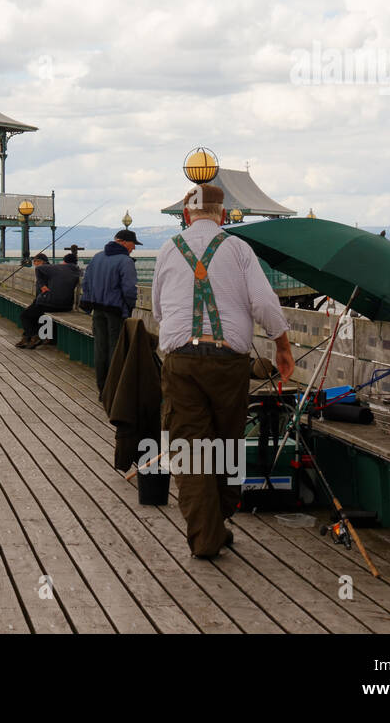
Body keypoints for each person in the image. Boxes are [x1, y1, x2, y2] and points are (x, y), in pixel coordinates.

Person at [152, 183, 294, 559]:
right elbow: (264, 303)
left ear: (186, 215)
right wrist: (282, 347)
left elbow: (159, 311)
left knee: (191, 449)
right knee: (227, 444)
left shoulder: (169, 249)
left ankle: (208, 531)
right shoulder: (238, 249)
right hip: (230, 362)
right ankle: (216, 524)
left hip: (181, 360)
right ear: (223, 215)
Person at [81, 229, 141, 395]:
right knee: (116, 350)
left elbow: (86, 283)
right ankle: (113, 391)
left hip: (97, 309)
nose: (133, 248)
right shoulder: (125, 261)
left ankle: (102, 389)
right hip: (115, 311)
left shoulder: (97, 257)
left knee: (100, 349)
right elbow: (129, 289)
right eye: (133, 244)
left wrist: (88, 304)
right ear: (123, 242)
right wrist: (129, 307)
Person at [18, 251, 80, 349]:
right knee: (35, 312)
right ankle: (29, 337)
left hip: (50, 303)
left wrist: (42, 285)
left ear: (64, 262)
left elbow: (38, 269)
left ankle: (35, 336)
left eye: (37, 261)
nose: (36, 264)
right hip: (66, 306)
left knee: (25, 316)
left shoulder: (57, 267)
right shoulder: (77, 271)